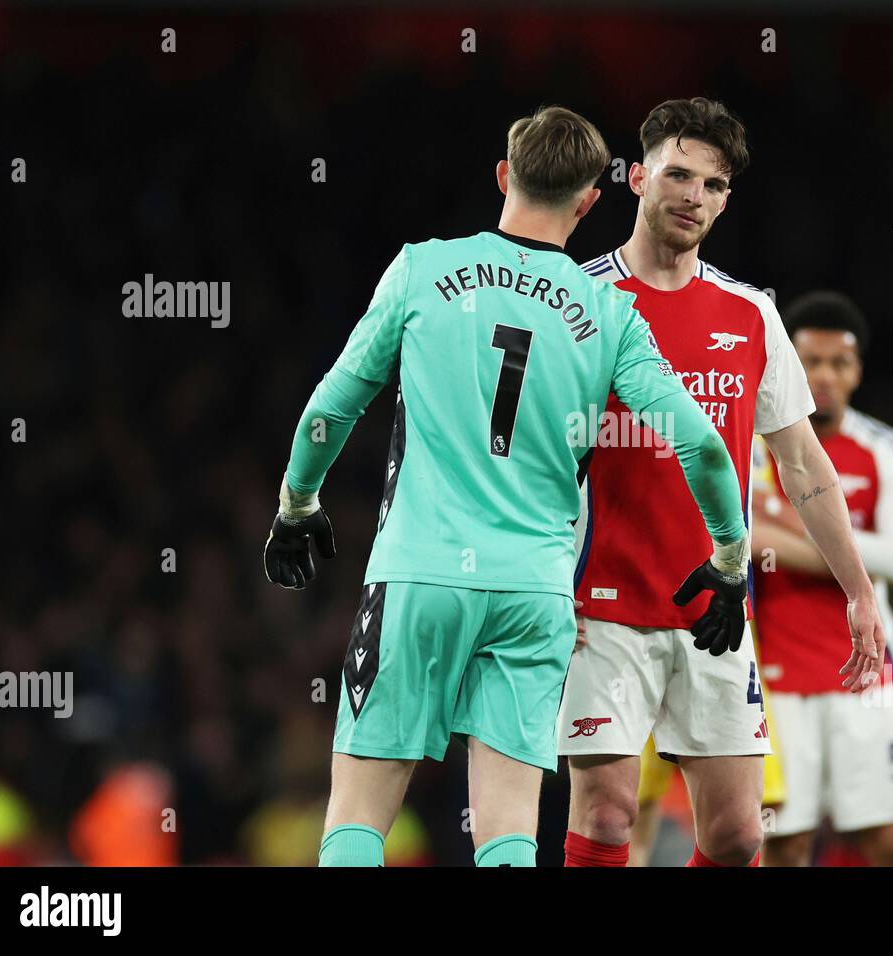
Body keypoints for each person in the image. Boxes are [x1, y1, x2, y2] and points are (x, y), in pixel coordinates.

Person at [262, 105, 769, 867]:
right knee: (506, 828)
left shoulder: (422, 269)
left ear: (505, 174)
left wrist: (298, 505)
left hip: (418, 575)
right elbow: (700, 443)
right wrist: (730, 559)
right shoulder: (610, 311)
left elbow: (333, 407)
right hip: (536, 592)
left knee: (361, 811)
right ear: (593, 200)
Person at [561, 98, 886, 868]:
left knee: (740, 837)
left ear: (726, 198)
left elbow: (804, 465)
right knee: (607, 815)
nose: (692, 197)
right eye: (677, 174)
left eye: (712, 185)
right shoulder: (579, 299)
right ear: (637, 177)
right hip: (595, 606)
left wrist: (859, 590)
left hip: (715, 605)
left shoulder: (750, 315)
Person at [751, 291, 893, 867]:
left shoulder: (888, 452)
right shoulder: (751, 445)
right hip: (772, 679)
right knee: (780, 848)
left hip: (865, 672)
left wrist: (787, 531)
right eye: (810, 361)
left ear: (858, 370)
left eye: (839, 362)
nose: (824, 376)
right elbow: (738, 539)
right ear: (787, 363)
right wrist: (840, 547)